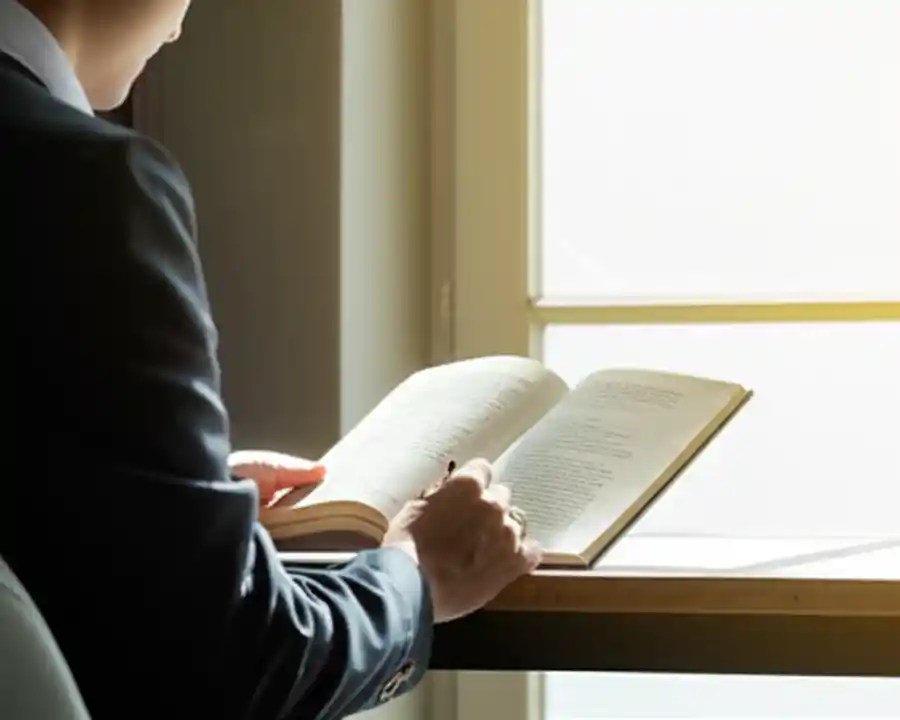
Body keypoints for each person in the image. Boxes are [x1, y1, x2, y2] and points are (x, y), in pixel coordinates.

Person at [0, 1, 541, 717]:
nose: (182, 23)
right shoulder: (86, 186)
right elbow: (233, 663)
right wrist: (417, 574)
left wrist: (154, 498)